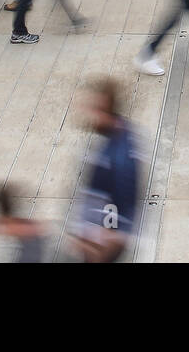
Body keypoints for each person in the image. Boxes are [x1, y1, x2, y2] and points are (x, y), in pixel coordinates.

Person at [71, 77, 144, 263]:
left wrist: (97, 247)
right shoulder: (117, 135)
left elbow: (119, 211)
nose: (87, 113)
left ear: (105, 110)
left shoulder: (118, 158)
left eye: (93, 109)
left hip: (100, 248)